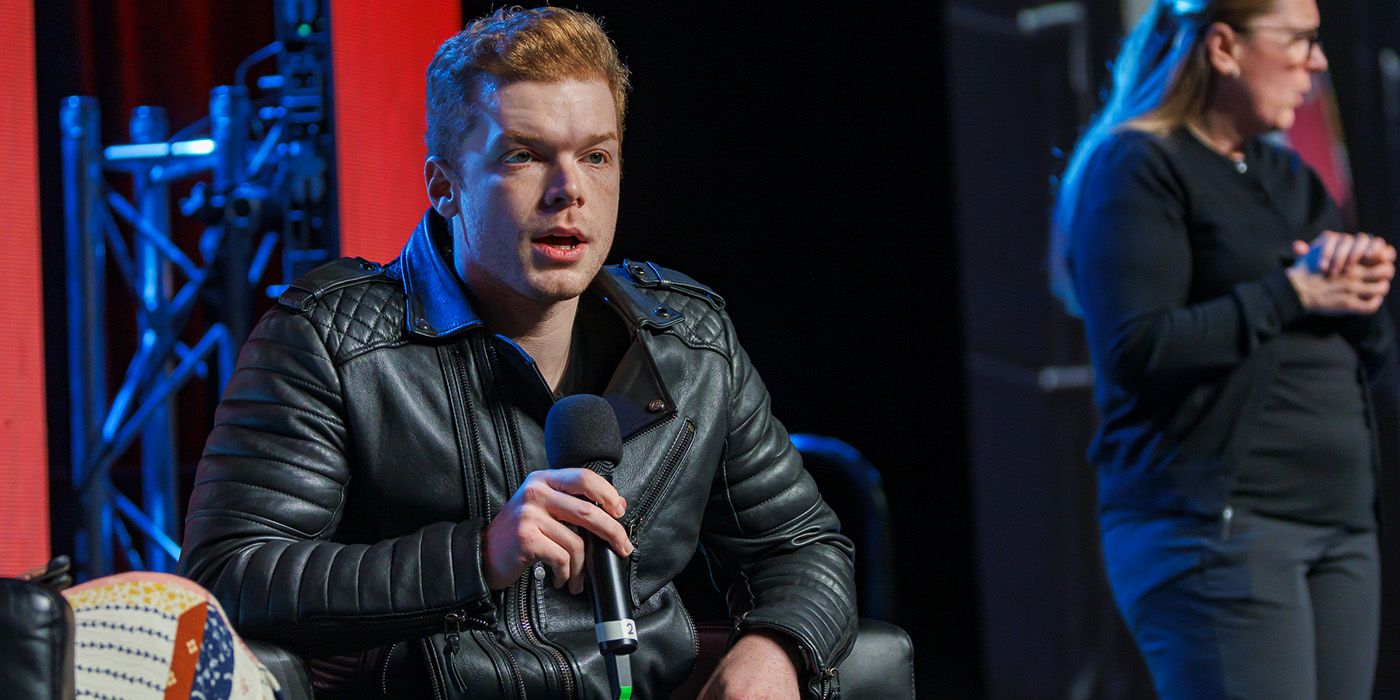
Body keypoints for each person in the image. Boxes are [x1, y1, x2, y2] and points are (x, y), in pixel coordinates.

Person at [177, 7, 856, 698]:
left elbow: (802, 547)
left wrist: (777, 647)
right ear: (444, 186)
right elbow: (230, 575)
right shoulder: (330, 340)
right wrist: (479, 554)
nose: (570, 191)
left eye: (596, 156)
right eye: (524, 156)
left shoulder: (693, 342)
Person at [1051, 0, 1397, 697]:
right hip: (1218, 531)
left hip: (1338, 526)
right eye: (1299, 40)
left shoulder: (1289, 175)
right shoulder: (1139, 165)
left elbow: (1371, 356)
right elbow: (1137, 348)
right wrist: (1291, 293)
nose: (1317, 62)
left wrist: (1357, 292)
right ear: (1223, 48)